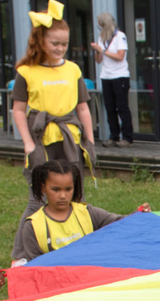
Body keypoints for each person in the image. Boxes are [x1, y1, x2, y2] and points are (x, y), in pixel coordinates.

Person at [12, 0, 96, 218]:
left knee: (74, 192)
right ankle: (26, 246)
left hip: (70, 139)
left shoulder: (73, 70)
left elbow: (83, 107)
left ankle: (79, 238)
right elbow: (19, 110)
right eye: (55, 43)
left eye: (64, 44)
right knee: (39, 195)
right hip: (41, 141)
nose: (60, 49)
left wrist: (90, 138)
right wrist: (28, 144)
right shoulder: (26, 72)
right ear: (40, 41)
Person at [13, 160, 147, 263]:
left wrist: (139, 214)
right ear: (43, 188)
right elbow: (35, 269)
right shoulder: (33, 226)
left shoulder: (87, 213)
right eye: (56, 189)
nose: (62, 195)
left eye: (68, 189)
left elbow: (119, 223)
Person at [92, 13, 133, 148]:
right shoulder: (101, 38)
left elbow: (120, 56)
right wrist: (98, 52)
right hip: (106, 76)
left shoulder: (120, 36)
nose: (100, 27)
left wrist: (102, 50)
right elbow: (98, 61)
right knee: (110, 107)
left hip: (120, 76)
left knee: (122, 107)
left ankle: (127, 137)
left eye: (101, 24)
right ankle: (113, 136)